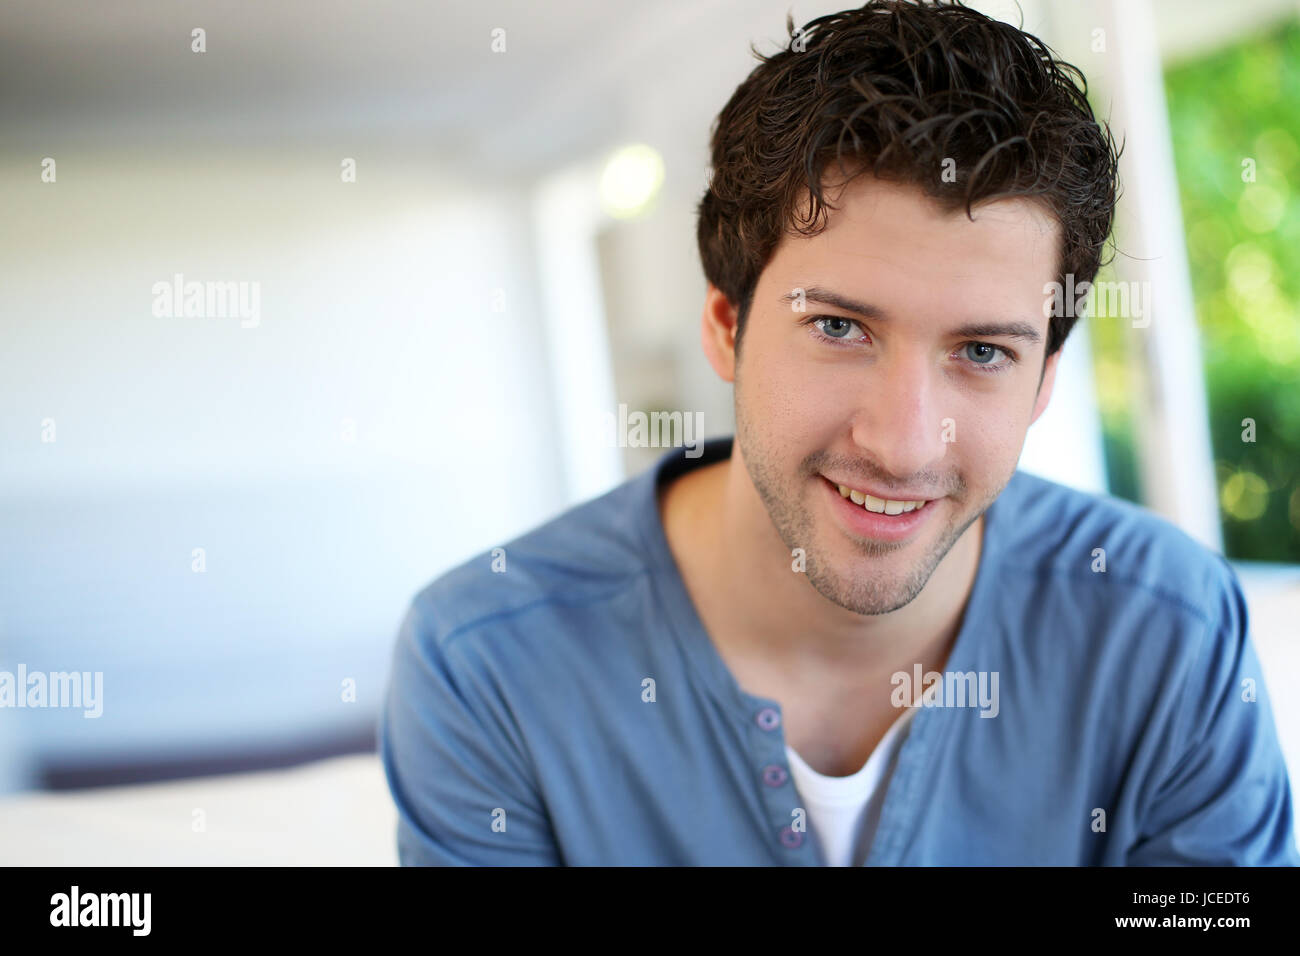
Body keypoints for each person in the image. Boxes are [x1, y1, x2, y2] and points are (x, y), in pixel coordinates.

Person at [379, 0, 1299, 865]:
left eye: (981, 350)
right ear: (725, 326)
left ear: (1046, 381)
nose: (903, 445)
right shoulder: (486, 664)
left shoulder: (1167, 629)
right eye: (838, 328)